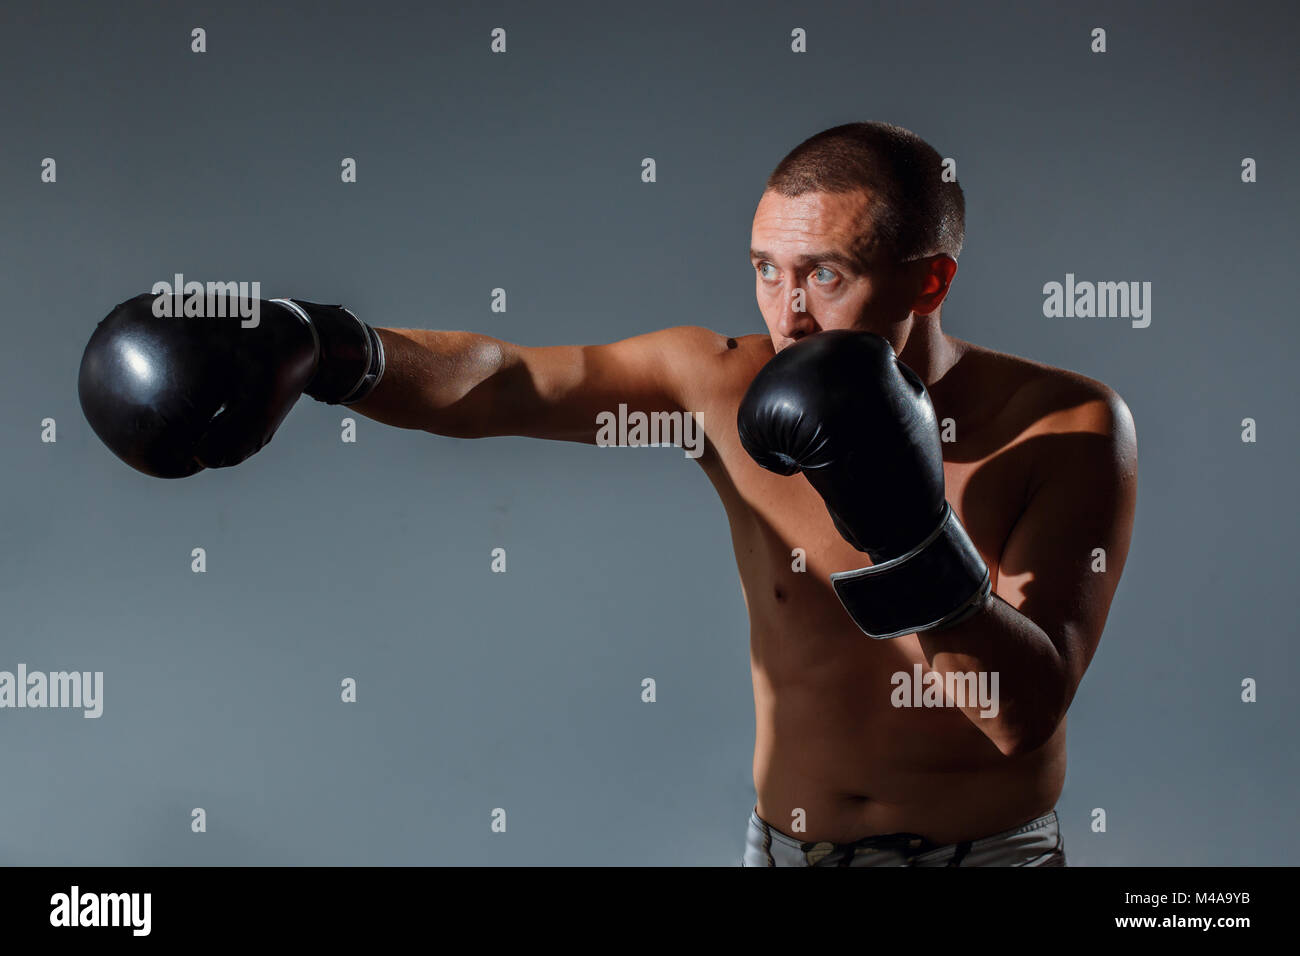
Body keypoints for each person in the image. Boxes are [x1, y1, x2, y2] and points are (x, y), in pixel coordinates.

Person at [79, 122, 1137, 866]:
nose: (786, 313)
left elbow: (1025, 709)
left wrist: (907, 526)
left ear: (929, 280)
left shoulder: (1068, 425)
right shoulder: (716, 384)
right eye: (765, 268)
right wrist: (325, 345)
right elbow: (503, 381)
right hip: (784, 848)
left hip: (985, 860)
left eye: (822, 273)